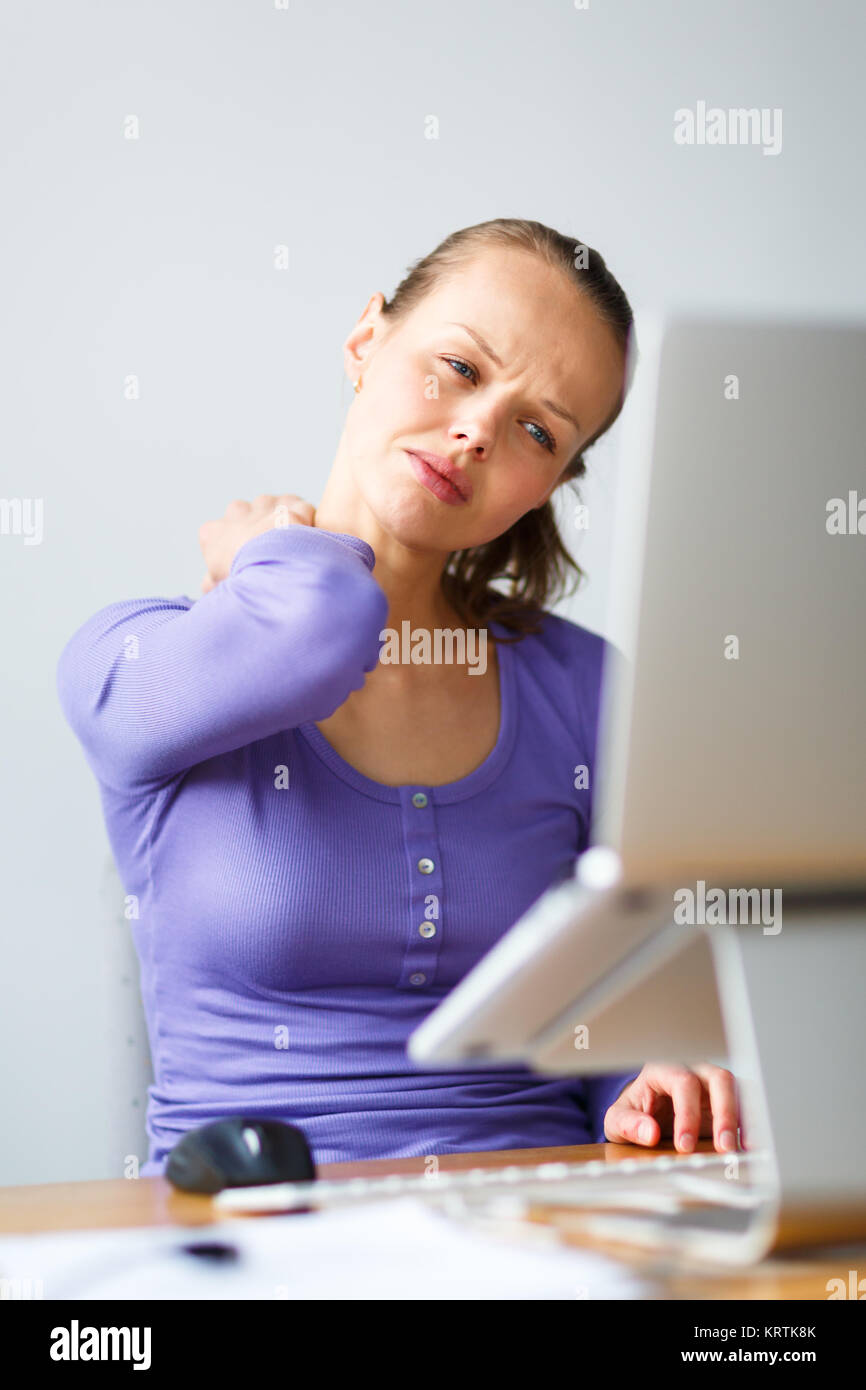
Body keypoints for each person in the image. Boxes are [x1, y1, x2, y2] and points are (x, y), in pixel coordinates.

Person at [57, 218, 741, 1174]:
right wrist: (279, 564)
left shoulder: (585, 691)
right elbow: (318, 634)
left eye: (537, 431)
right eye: (459, 367)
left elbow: (606, 1025)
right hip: (263, 1232)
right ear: (366, 340)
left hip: (541, 1225)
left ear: (548, 486)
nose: (476, 432)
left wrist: (649, 1079)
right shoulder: (132, 663)